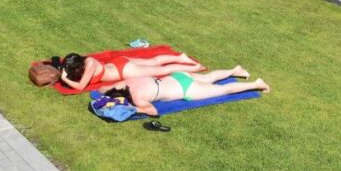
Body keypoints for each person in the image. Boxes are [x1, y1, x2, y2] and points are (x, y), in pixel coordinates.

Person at [100, 66, 269, 114]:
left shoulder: (137, 98)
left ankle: (256, 84)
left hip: (186, 89)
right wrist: (109, 93)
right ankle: (234, 70)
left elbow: (153, 111)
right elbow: (103, 88)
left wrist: (133, 108)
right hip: (177, 76)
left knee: (223, 90)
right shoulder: (128, 82)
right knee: (209, 77)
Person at [58, 51, 203, 93]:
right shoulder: (88, 60)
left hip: (124, 70)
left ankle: (194, 68)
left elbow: (80, 86)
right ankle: (180, 57)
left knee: (162, 70)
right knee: (153, 62)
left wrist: (64, 79)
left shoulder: (89, 66)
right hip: (119, 62)